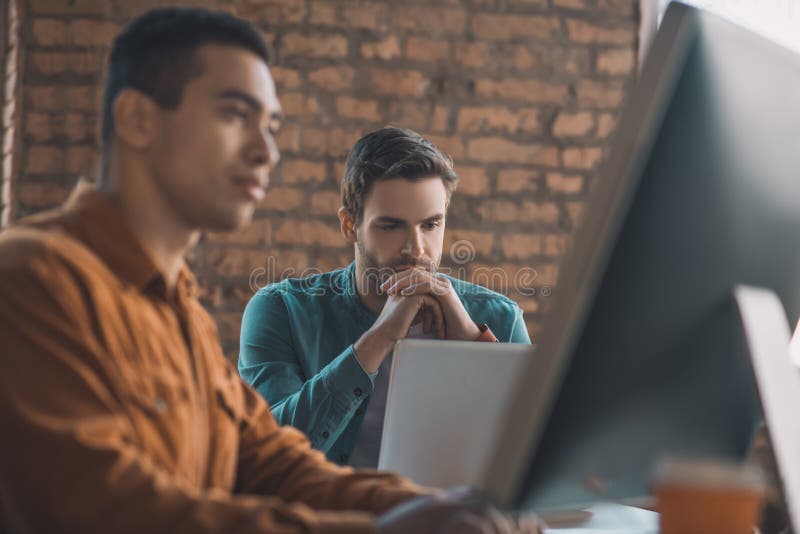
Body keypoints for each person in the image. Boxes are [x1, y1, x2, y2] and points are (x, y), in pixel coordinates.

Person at [0, 7, 539, 533]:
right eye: (235, 114)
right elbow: (119, 509)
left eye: (272, 125)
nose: (266, 151)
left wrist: (441, 512)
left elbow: (272, 465)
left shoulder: (177, 307)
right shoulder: (31, 277)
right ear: (138, 119)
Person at [239, 126, 531, 468]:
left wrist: (470, 342)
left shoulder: (500, 320)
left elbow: (533, 460)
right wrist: (379, 338)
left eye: (431, 225)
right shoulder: (280, 311)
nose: (416, 249)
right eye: (391, 226)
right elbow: (268, 457)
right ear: (350, 225)